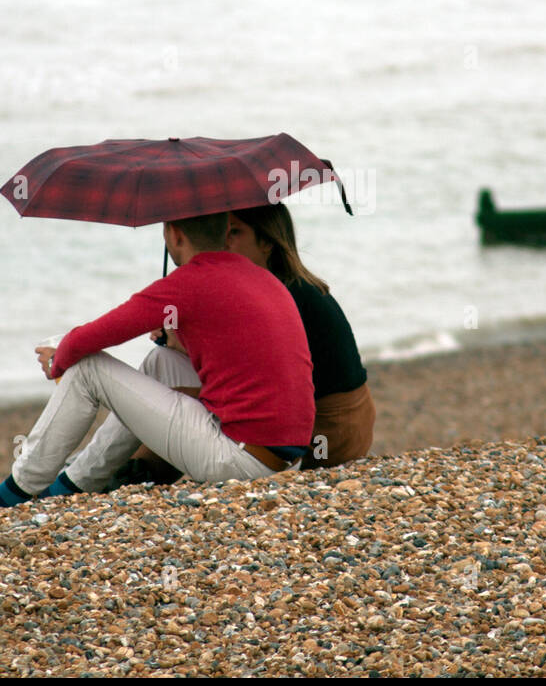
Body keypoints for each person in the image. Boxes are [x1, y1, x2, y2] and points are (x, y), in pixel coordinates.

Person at [0, 211, 315, 512]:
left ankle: (15, 493)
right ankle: (73, 484)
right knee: (160, 362)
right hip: (286, 459)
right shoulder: (259, 276)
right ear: (225, 232)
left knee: (88, 369)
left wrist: (59, 359)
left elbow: (97, 335)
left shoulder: (188, 283)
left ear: (173, 235)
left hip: (242, 462)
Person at [122, 202, 374, 485]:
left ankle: (139, 472)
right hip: (328, 422)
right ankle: (136, 470)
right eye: (223, 233)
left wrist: (176, 340)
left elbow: (238, 364)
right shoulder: (276, 286)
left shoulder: (284, 295)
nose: (224, 243)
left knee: (182, 401)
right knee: (178, 385)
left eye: (235, 233)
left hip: (329, 434)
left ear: (267, 242)